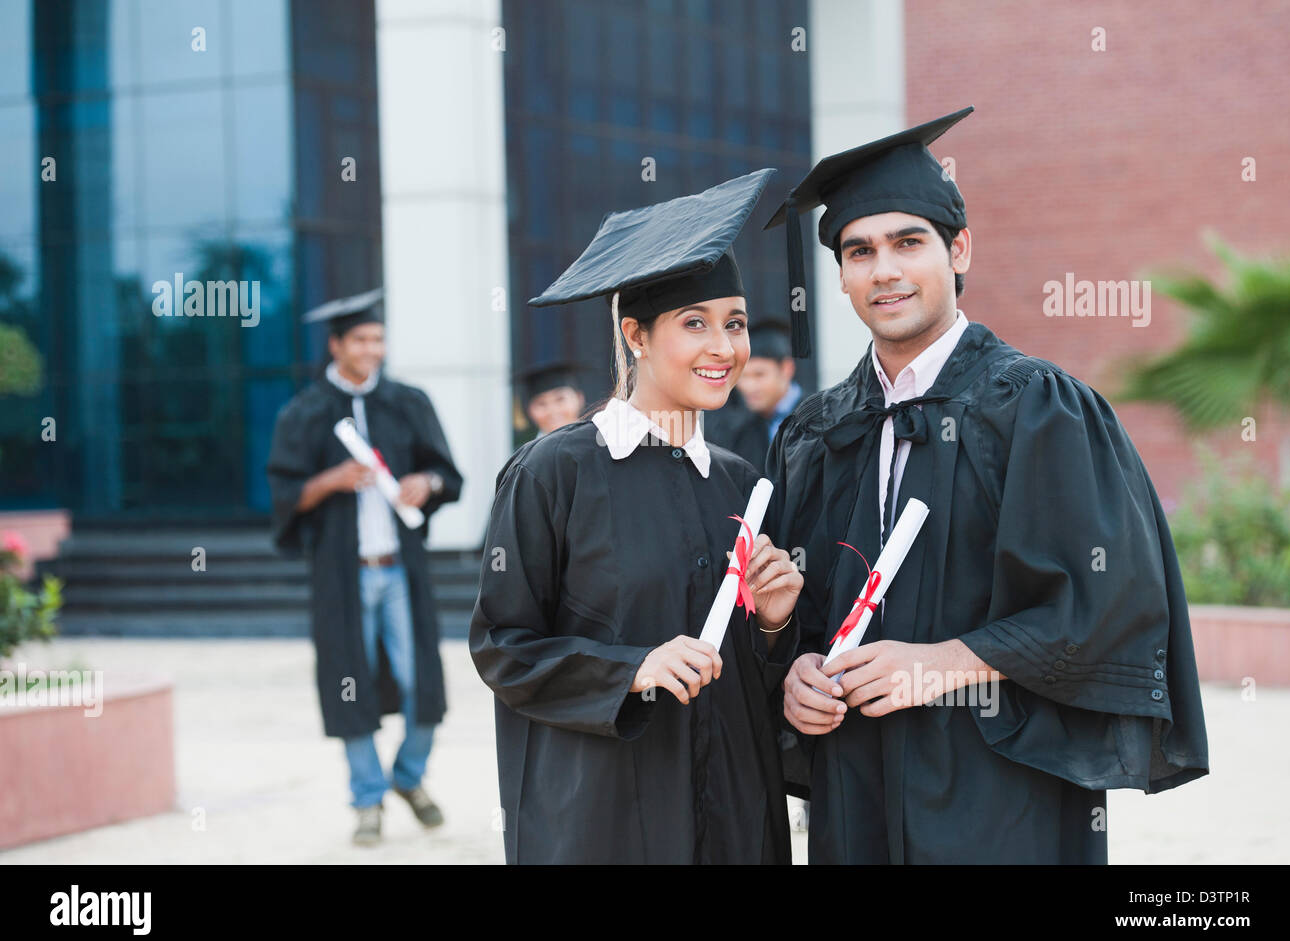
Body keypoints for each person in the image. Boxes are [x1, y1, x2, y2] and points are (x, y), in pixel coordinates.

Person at [763, 107, 1210, 863]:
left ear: (958, 248)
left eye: (909, 242)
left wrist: (943, 662)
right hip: (855, 796)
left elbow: (1113, 603)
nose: (886, 270)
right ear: (839, 274)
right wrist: (791, 667)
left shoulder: (1036, 407)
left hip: (1001, 795)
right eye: (860, 250)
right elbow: (792, 612)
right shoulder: (817, 434)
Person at [470, 169, 804, 864]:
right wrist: (632, 668)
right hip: (607, 820)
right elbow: (504, 646)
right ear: (637, 335)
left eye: (735, 324)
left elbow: (755, 684)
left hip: (736, 817)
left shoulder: (742, 483)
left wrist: (773, 624)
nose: (724, 348)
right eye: (695, 324)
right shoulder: (555, 472)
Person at [266, 288, 464, 847]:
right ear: (336, 345)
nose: (373, 349)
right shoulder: (304, 412)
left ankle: (408, 776)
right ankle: (367, 798)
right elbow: (283, 495)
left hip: (401, 569)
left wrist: (425, 483)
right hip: (342, 573)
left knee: (419, 678)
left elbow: (448, 475)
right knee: (348, 681)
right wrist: (330, 481)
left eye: (378, 339)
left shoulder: (409, 402)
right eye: (361, 340)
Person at [708, 317, 803, 473]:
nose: (749, 387)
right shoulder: (739, 428)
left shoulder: (819, 417)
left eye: (759, 375)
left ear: (786, 369)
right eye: (742, 377)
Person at [514, 358, 588, 435]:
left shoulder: (597, 442)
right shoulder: (528, 447)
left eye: (560, 399)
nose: (553, 410)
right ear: (529, 410)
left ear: (579, 398)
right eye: (541, 404)